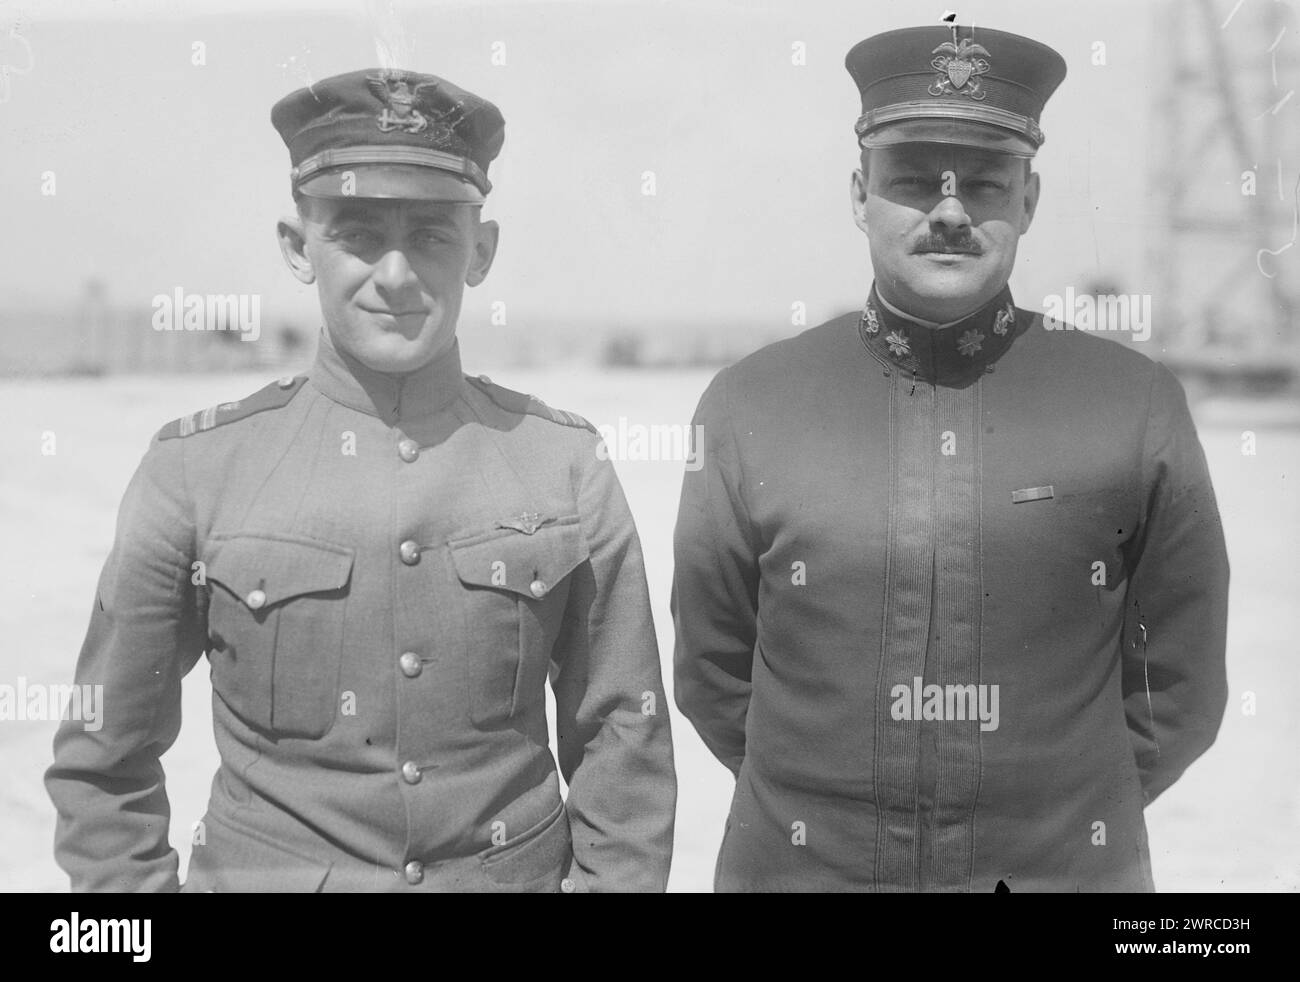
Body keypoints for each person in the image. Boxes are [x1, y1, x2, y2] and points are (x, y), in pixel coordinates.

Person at [45, 68, 676, 893]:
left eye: (431, 236)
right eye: (356, 233)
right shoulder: (195, 472)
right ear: (296, 245)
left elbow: (622, 742)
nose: (395, 274)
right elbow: (104, 763)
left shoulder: (562, 465)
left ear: (481, 252)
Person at [671, 24, 1228, 892]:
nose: (950, 211)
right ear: (859, 193)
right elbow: (713, 674)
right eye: (910, 180)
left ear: (1031, 198)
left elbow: (1180, 691)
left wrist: (1050, 814)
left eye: (984, 181)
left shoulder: (1132, 404)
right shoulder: (751, 406)